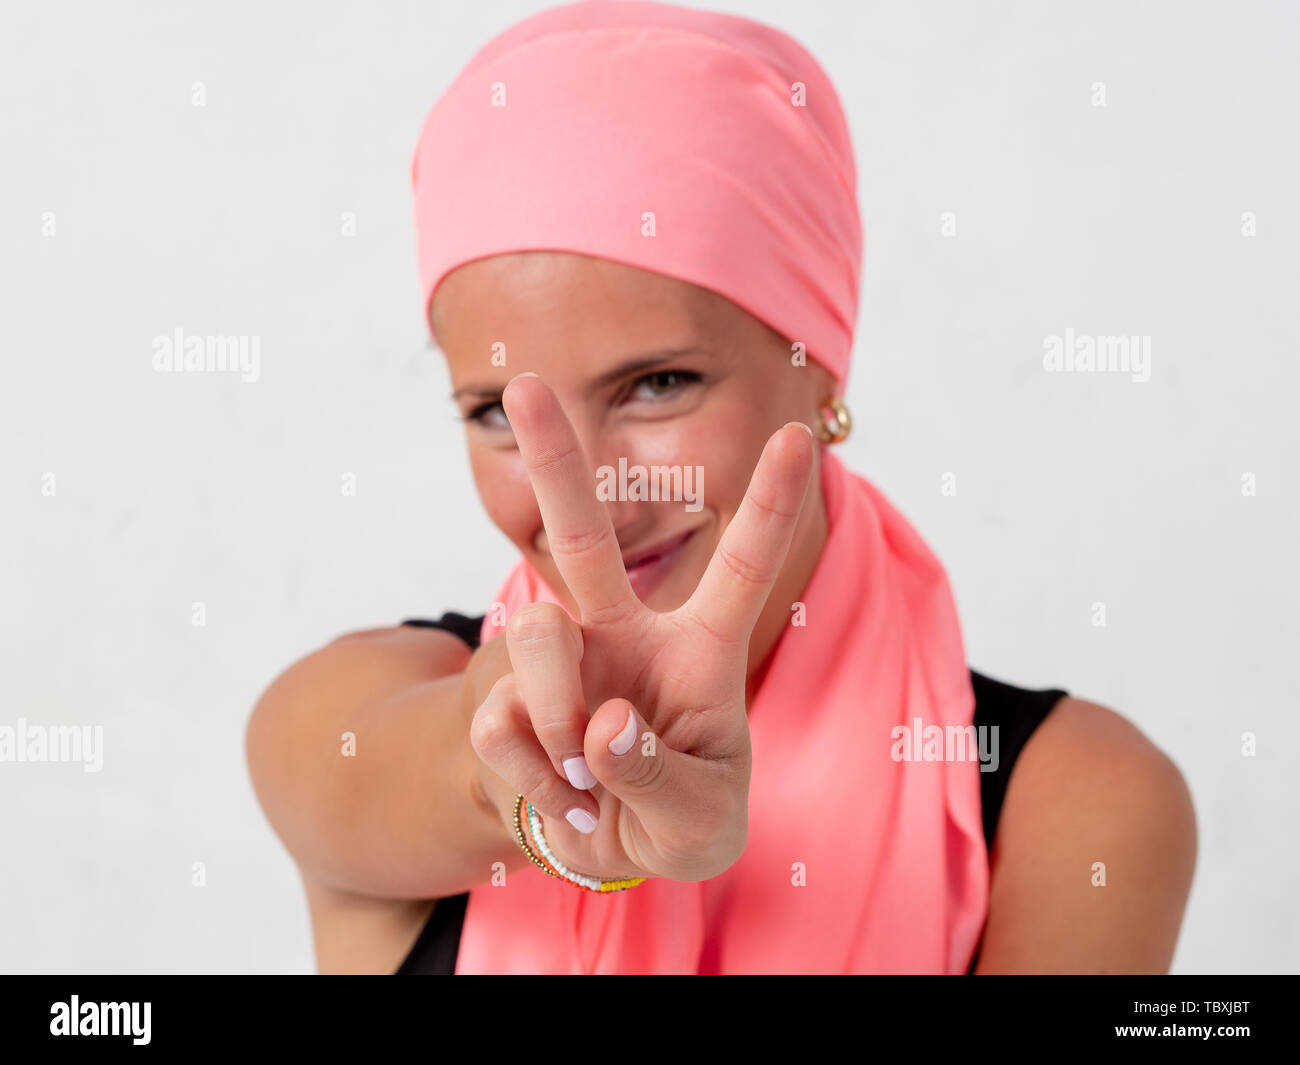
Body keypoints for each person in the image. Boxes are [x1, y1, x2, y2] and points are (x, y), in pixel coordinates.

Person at [245, 0, 1196, 974]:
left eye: (657, 384)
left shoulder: (1077, 803)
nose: (592, 497)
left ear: (821, 365)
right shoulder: (343, 718)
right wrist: (554, 775)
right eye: (495, 413)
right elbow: (459, 762)